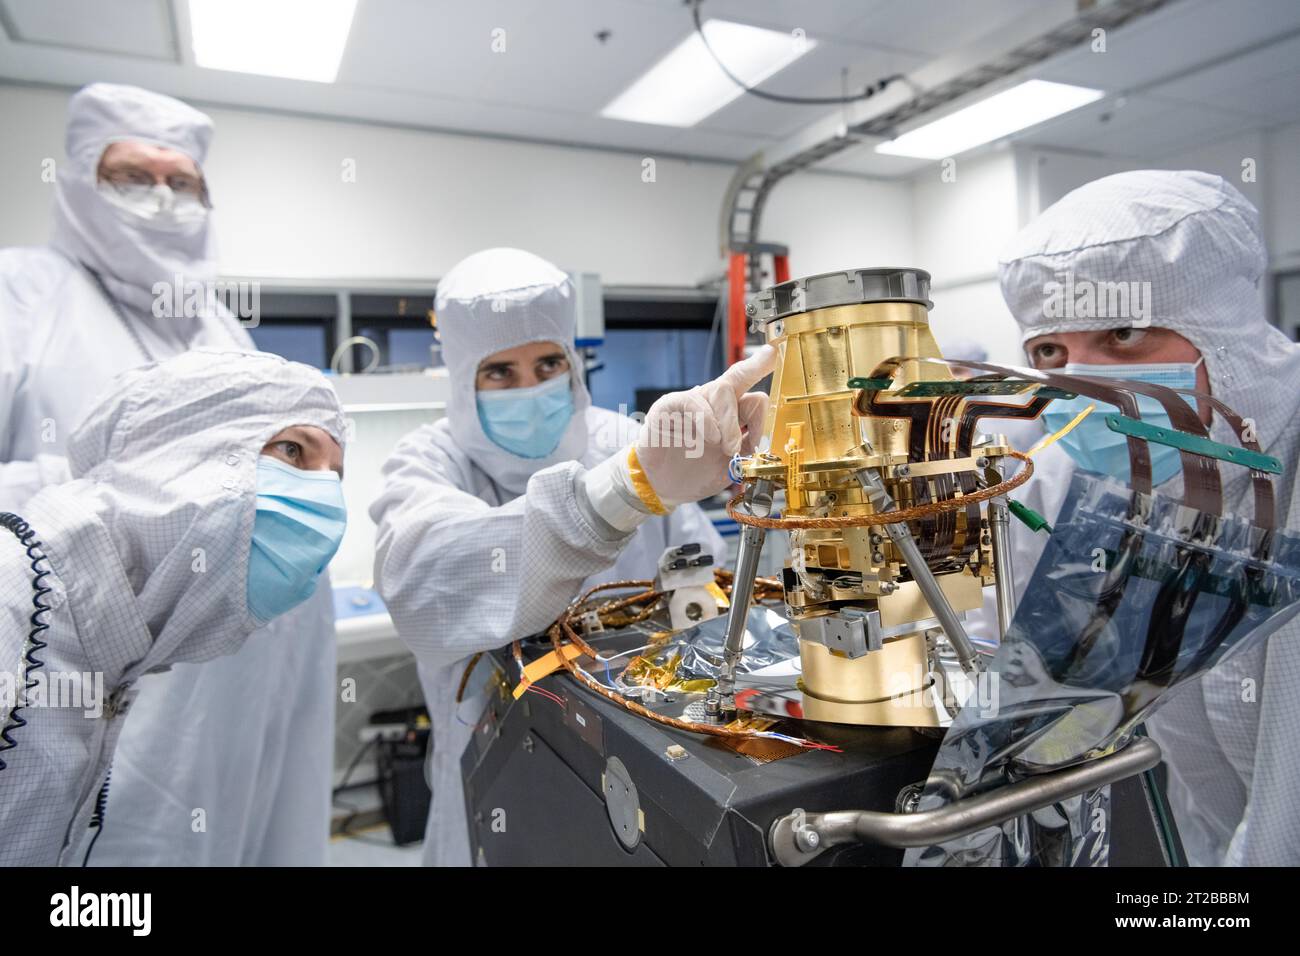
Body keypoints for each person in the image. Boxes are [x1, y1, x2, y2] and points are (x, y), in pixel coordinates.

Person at [0, 83, 339, 865]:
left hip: (242, 690)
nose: (162, 199)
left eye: (182, 183)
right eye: (133, 176)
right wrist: (119, 495)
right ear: (81, 181)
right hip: (91, 692)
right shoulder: (23, 297)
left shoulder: (222, 327)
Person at [371, 247, 773, 866]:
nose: (529, 388)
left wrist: (699, 681)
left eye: (548, 362)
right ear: (462, 378)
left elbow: (693, 571)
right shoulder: (429, 462)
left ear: (572, 362)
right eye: (499, 371)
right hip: (489, 760)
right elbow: (425, 585)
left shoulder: (623, 440)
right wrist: (620, 493)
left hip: (641, 747)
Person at [993, 169, 1300, 865]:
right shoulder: (1099, 462)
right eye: (1050, 351)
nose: (1083, 383)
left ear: (1221, 330)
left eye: (1124, 335)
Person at [0, 350, 347, 866]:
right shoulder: (13, 608)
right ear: (179, 450)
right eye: (293, 451)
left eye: (335, 474)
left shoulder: (99, 642)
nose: (326, 499)